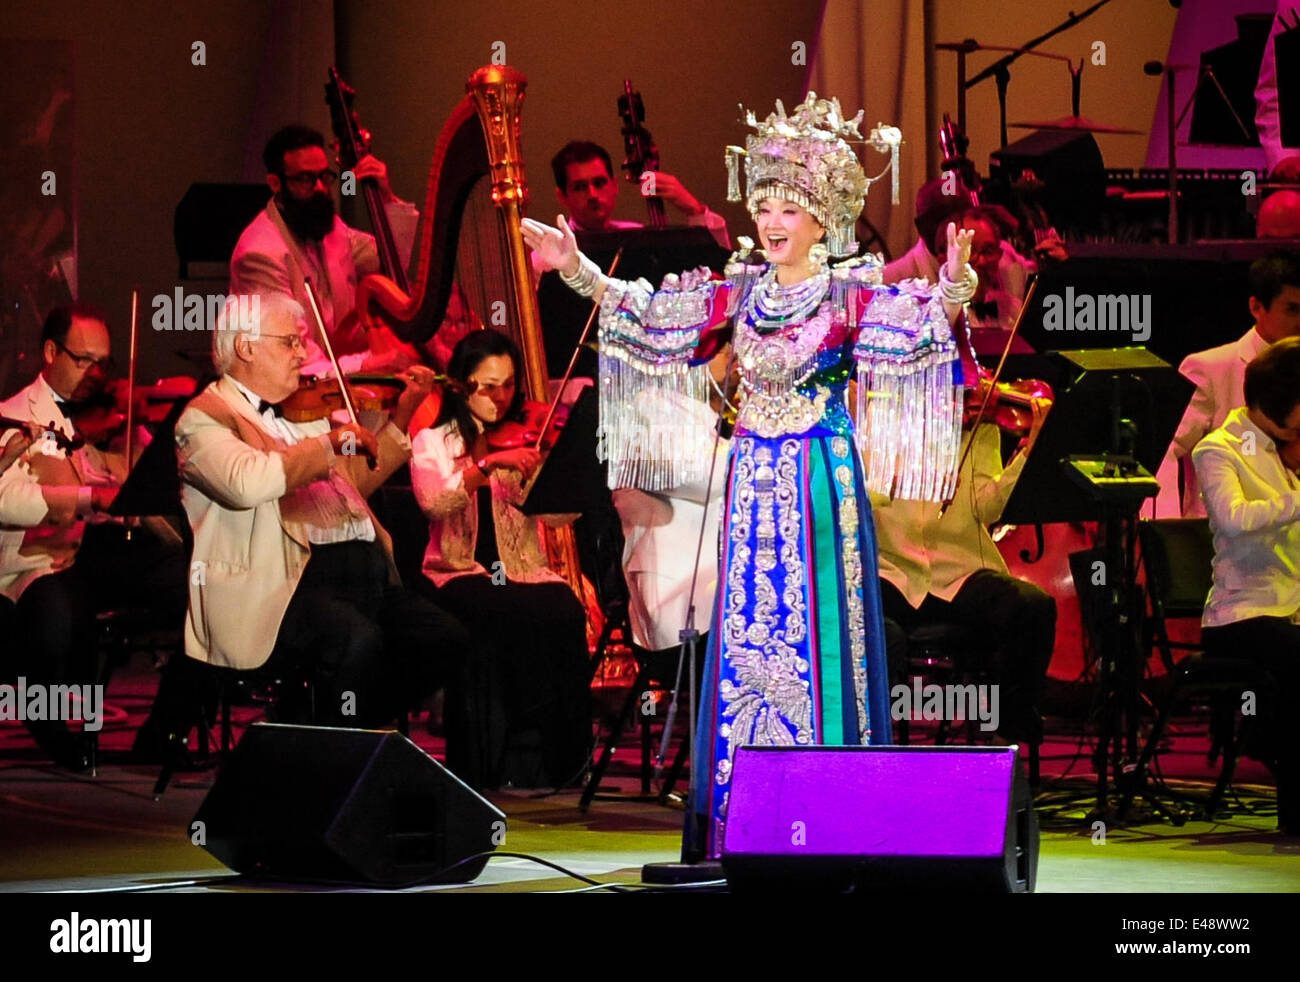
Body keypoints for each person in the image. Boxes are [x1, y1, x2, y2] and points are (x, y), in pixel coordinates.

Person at [525, 92, 975, 859]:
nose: (772, 220)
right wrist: (579, 271)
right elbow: (649, 318)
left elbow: (921, 327)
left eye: (791, 209)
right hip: (755, 482)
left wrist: (956, 290)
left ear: (823, 218)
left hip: (818, 487)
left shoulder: (849, 296)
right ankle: (750, 813)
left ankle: (831, 813)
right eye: (764, 203)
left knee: (820, 633)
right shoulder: (739, 292)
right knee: (750, 636)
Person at [135, 294, 473, 757]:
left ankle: (304, 728)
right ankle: (322, 756)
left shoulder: (304, 410)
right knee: (358, 643)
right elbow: (247, 482)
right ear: (247, 348)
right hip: (281, 584)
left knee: (444, 640)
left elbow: (355, 478)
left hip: (364, 575)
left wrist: (400, 417)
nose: (302, 352)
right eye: (291, 342)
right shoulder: (204, 420)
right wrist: (330, 444)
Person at [409, 329, 592, 790]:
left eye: (508, 384)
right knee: (494, 610)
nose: (501, 397)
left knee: (565, 610)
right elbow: (434, 501)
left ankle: (562, 765)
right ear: (461, 384)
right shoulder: (434, 442)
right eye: (488, 385)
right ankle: (485, 763)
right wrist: (483, 468)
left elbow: (554, 518)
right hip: (458, 570)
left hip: (521, 567)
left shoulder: (524, 434)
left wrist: (564, 471)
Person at [0, 303, 159, 769]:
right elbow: (9, 500)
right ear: (51, 352)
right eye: (83, 360)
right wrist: (91, 496)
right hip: (32, 564)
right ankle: (49, 723)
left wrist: (142, 439)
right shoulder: (12, 416)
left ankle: (164, 727)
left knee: (186, 579)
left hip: (91, 554)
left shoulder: (99, 419)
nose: (96, 374)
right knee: (58, 613)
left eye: (103, 363)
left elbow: (124, 480)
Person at [873, 395, 1056, 748]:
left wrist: (1030, 451)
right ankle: (876, 748)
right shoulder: (874, 417)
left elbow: (987, 508)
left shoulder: (980, 425)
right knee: (871, 629)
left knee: (1031, 606)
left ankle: (1008, 739)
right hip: (892, 570)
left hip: (958, 572)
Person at [1192, 335, 1300, 835]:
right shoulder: (1218, 448)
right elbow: (1233, 520)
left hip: (1287, 606)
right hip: (1239, 614)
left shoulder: (1279, 450)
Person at [230, 124, 421, 378]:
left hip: (337, 381)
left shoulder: (332, 229)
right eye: (306, 179)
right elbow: (287, 348)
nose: (320, 187)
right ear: (275, 183)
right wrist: (363, 364)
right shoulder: (259, 253)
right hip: (288, 392)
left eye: (324, 176)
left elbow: (391, 262)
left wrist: (386, 197)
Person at [1159, 250, 1300, 516]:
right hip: (1223, 540)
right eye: (1292, 309)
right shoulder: (1211, 368)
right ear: (1256, 307)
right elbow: (1163, 448)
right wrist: (1166, 529)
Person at [551, 141, 729, 248]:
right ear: (562, 196)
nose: (592, 195)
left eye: (599, 183)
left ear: (615, 186)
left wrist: (695, 210)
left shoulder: (636, 237)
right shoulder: (547, 256)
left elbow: (719, 268)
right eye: (580, 187)